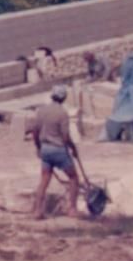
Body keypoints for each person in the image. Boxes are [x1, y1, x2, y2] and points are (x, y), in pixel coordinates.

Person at [25, 85, 89, 220]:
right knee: (73, 178)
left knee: (44, 181)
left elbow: (35, 131)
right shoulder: (62, 113)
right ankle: (72, 209)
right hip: (58, 150)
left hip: (45, 149)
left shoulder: (41, 111)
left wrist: (38, 148)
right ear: (64, 98)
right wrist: (73, 148)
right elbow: (65, 136)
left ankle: (38, 211)